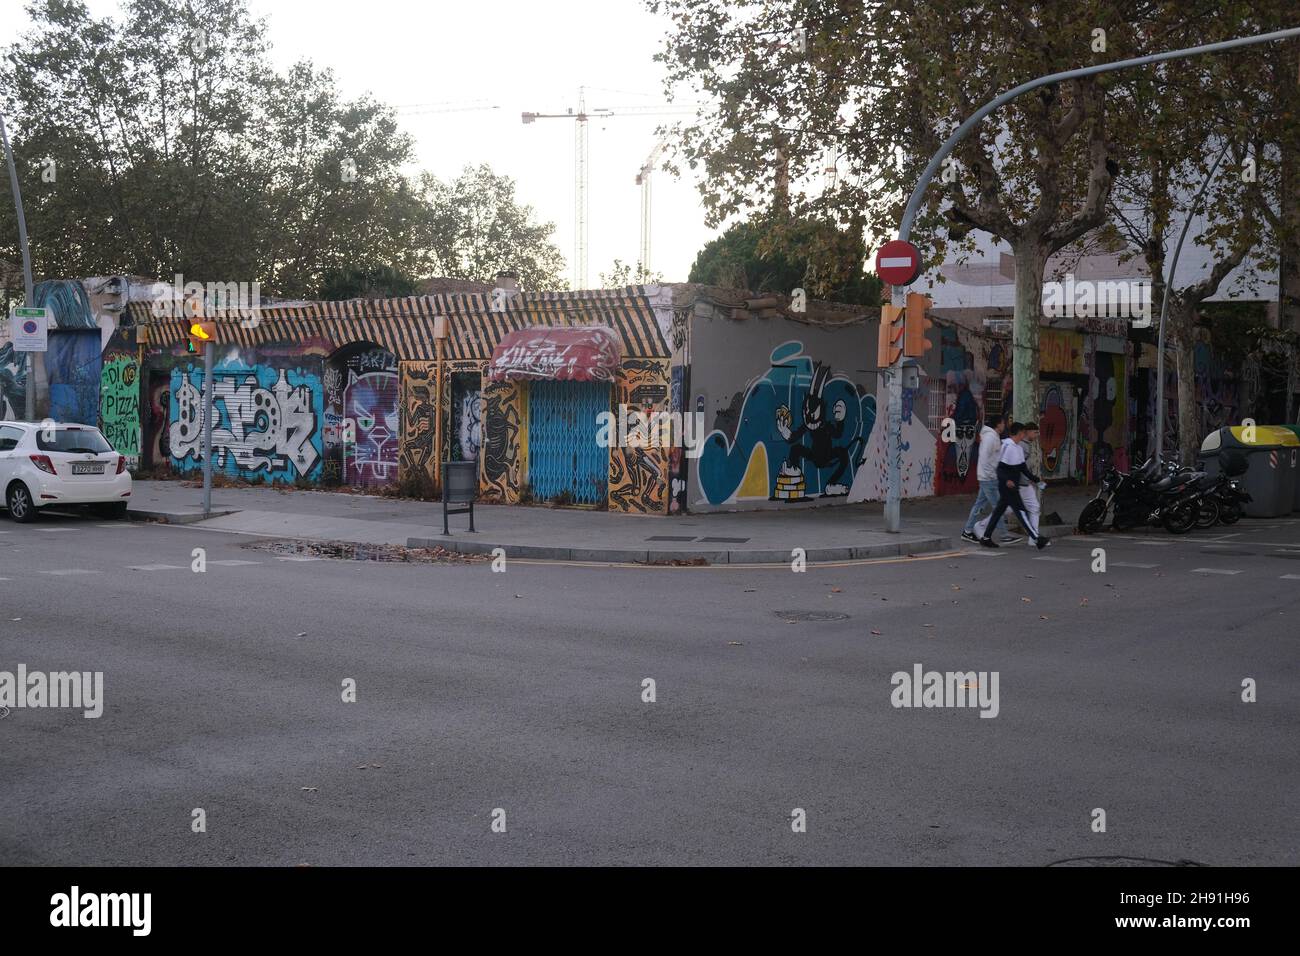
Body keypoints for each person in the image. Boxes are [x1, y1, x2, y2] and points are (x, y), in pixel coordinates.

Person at [980, 422, 1052, 550]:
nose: (1024, 435)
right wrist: (1007, 480)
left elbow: (1023, 469)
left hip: (1012, 485)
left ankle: (986, 537)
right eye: (1023, 433)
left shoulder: (1017, 448)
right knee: (1021, 512)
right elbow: (1000, 468)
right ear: (1019, 433)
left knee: (999, 512)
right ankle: (1036, 538)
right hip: (1008, 486)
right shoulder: (1007, 447)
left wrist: (1036, 480)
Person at [961, 413, 1017, 543]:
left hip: (987, 477)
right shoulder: (990, 438)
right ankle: (1004, 535)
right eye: (1003, 423)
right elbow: (985, 458)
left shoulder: (993, 436)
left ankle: (967, 531)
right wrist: (991, 475)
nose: (1004, 425)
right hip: (989, 478)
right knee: (999, 507)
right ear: (998, 424)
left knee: (979, 505)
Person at [1014, 422, 1047, 545]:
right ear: (1026, 432)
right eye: (1035, 432)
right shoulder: (1022, 446)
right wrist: (1029, 479)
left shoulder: (1025, 445)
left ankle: (1034, 538)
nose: (1037, 435)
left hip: (1023, 483)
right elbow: (1019, 467)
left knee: (1033, 507)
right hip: (1019, 484)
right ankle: (981, 527)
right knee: (1004, 510)